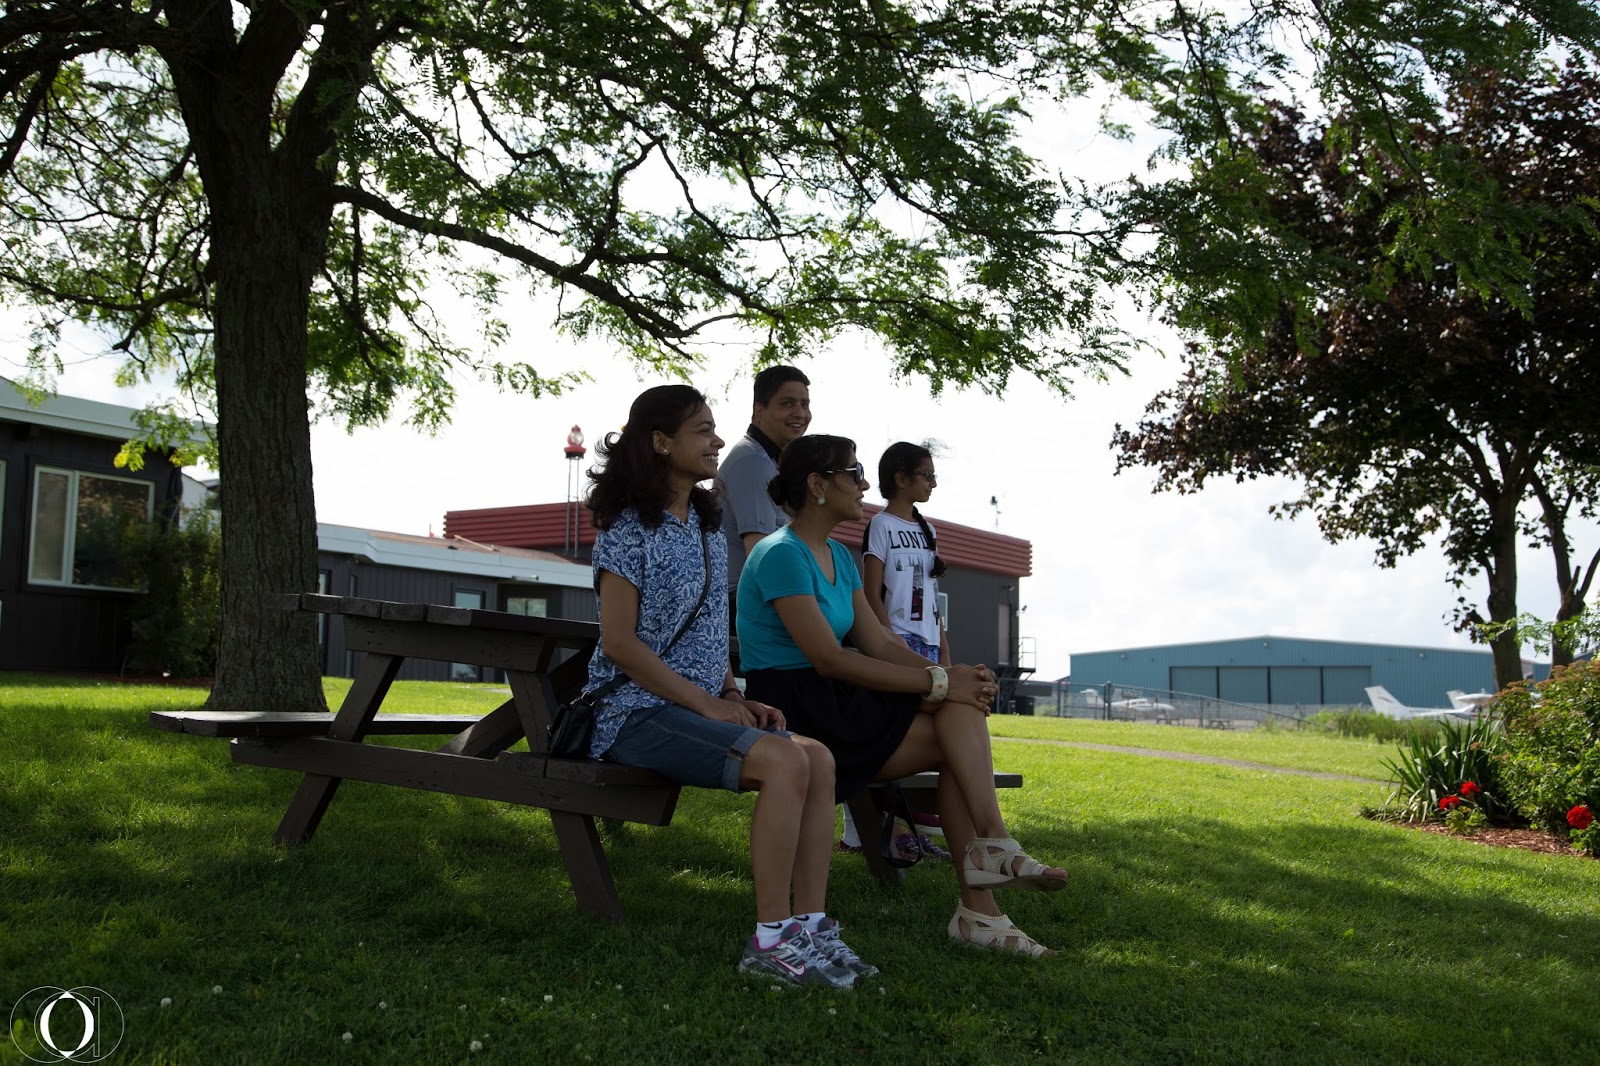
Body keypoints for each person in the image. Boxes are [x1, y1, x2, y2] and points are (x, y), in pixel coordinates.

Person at [580, 385, 870, 989]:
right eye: (701, 431)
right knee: (786, 763)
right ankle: (770, 941)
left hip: (698, 704)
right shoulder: (628, 528)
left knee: (816, 756)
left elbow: (710, 634)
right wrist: (708, 703)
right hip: (631, 712)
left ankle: (811, 929)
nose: (716, 441)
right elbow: (620, 644)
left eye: (715, 430)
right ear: (661, 443)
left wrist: (733, 696)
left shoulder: (708, 525)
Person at [737, 434, 1067, 958]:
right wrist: (938, 682)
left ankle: (990, 870)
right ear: (818, 485)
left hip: (841, 698)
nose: (865, 484)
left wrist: (949, 674)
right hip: (798, 709)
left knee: (957, 711)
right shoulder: (781, 554)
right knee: (951, 723)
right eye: (854, 472)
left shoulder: (839, 559)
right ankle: (984, 889)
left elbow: (880, 642)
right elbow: (828, 657)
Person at [861, 441, 953, 862]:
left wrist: (944, 652)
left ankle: (913, 827)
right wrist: (887, 640)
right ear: (901, 479)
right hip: (896, 638)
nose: (933, 483)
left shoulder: (927, 529)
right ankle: (889, 831)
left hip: (928, 640)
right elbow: (872, 589)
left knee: (931, 727)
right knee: (902, 728)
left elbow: (934, 599)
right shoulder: (879, 525)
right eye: (926, 475)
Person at [715, 365, 812, 639]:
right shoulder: (752, 462)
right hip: (736, 605)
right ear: (759, 411)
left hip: (753, 598)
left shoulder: (768, 460)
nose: (800, 413)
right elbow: (762, 554)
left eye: (804, 404)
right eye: (787, 403)